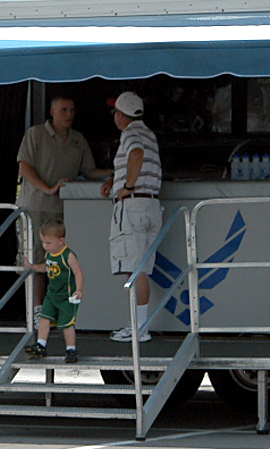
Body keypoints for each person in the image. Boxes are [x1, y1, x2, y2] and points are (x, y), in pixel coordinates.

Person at [15, 95, 107, 315]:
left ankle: (60, 307)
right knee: (36, 257)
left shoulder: (78, 139)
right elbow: (24, 166)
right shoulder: (35, 134)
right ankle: (37, 310)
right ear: (52, 112)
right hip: (35, 206)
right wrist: (47, 188)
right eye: (64, 110)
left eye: (72, 110)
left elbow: (89, 171)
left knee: (63, 259)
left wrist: (117, 172)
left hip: (66, 209)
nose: (69, 115)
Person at [100, 91, 162, 343]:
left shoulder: (130, 134)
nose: (114, 116)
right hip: (151, 206)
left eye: (115, 112)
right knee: (142, 268)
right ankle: (139, 325)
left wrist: (127, 186)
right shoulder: (149, 133)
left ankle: (139, 328)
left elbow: (136, 155)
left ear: (122, 115)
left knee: (134, 270)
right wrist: (114, 179)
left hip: (133, 206)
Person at [24, 220, 85, 364]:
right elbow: (47, 267)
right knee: (44, 318)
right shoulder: (49, 254)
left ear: (61, 241)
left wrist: (79, 289)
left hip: (67, 296)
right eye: (43, 242)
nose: (45, 246)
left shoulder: (68, 255)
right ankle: (41, 344)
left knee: (66, 324)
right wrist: (33, 267)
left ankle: (71, 349)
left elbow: (78, 272)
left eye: (48, 243)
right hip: (52, 295)